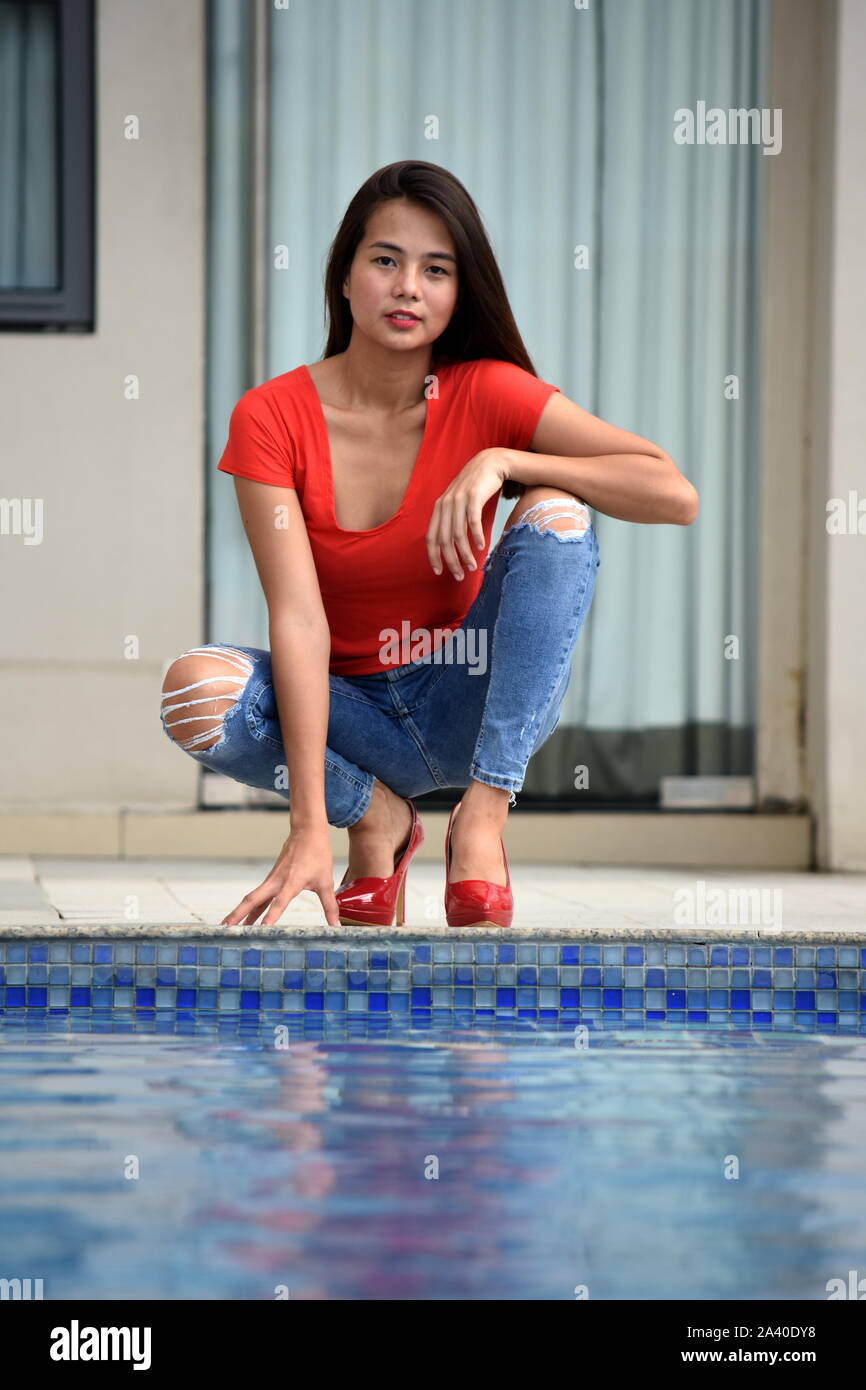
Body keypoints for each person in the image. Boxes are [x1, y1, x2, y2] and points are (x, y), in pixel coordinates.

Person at [160, 160, 697, 931]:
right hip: (354, 716)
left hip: (467, 697)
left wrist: (506, 461)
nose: (408, 286)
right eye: (385, 261)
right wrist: (311, 823)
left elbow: (672, 492)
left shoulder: (489, 392)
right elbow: (300, 620)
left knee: (556, 510)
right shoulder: (271, 417)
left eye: (435, 269)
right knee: (195, 689)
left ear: (457, 291)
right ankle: (376, 820)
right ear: (344, 278)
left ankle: (483, 817)